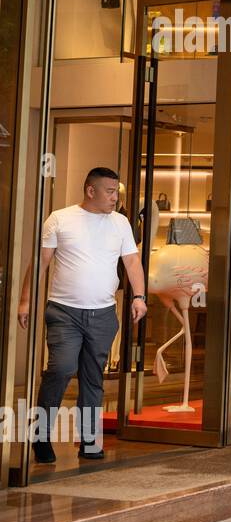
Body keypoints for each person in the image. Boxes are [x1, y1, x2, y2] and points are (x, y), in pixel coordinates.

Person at [17, 168, 148, 463]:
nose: (116, 197)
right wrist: (25, 300)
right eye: (110, 192)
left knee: (93, 378)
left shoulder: (121, 223)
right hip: (64, 311)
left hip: (102, 314)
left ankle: (89, 441)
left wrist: (139, 296)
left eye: (117, 192)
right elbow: (40, 262)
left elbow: (132, 261)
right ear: (91, 191)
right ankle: (41, 436)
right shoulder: (60, 218)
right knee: (61, 369)